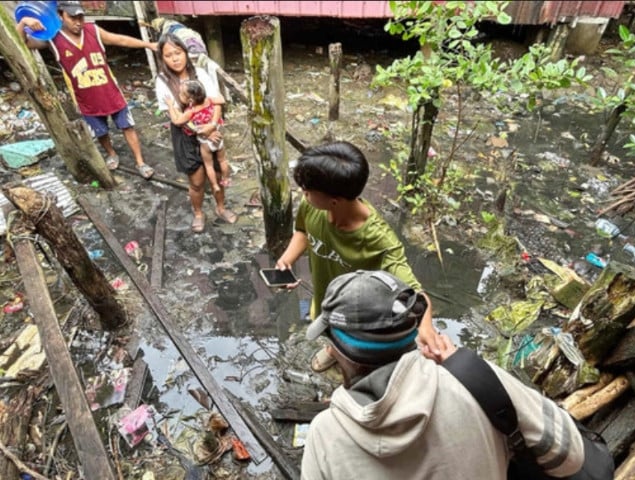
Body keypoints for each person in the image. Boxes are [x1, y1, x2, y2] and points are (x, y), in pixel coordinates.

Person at [300, 270, 586, 480]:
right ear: (412, 335)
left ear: (338, 351)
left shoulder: (325, 435)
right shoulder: (473, 380)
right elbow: (569, 457)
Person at [275, 141, 442, 371]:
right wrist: (287, 259)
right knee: (325, 324)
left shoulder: (379, 240)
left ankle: (342, 356)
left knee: (353, 357)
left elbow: (415, 293)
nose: (303, 195)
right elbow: (303, 231)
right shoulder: (313, 206)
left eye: (307, 191)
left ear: (334, 200)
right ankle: (332, 348)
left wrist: (426, 327)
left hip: (357, 315)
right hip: (326, 297)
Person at [16, 0, 156, 179]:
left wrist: (148, 45)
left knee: (127, 127)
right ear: (60, 16)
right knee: (101, 132)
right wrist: (23, 22)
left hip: (110, 93)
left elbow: (120, 39)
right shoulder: (53, 39)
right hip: (86, 99)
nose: (78, 22)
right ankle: (112, 154)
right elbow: (22, 44)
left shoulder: (93, 31)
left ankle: (140, 162)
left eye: (80, 17)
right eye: (72, 17)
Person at [155, 34, 237, 232]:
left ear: (185, 52)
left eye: (178, 52)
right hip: (186, 135)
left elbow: (216, 101)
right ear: (162, 58)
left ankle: (220, 207)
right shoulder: (163, 81)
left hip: (210, 128)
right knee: (197, 180)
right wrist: (202, 131)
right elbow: (177, 118)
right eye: (168, 55)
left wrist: (212, 124)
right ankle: (199, 212)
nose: (175, 58)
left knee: (217, 173)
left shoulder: (200, 73)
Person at [164, 79, 231, 194]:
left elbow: (176, 121)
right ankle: (225, 179)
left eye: (181, 94)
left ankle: (215, 185)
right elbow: (221, 100)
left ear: (190, 100)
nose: (179, 95)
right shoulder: (209, 101)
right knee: (223, 161)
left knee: (209, 165)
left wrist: (170, 105)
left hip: (205, 142)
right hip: (218, 138)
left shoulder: (191, 111)